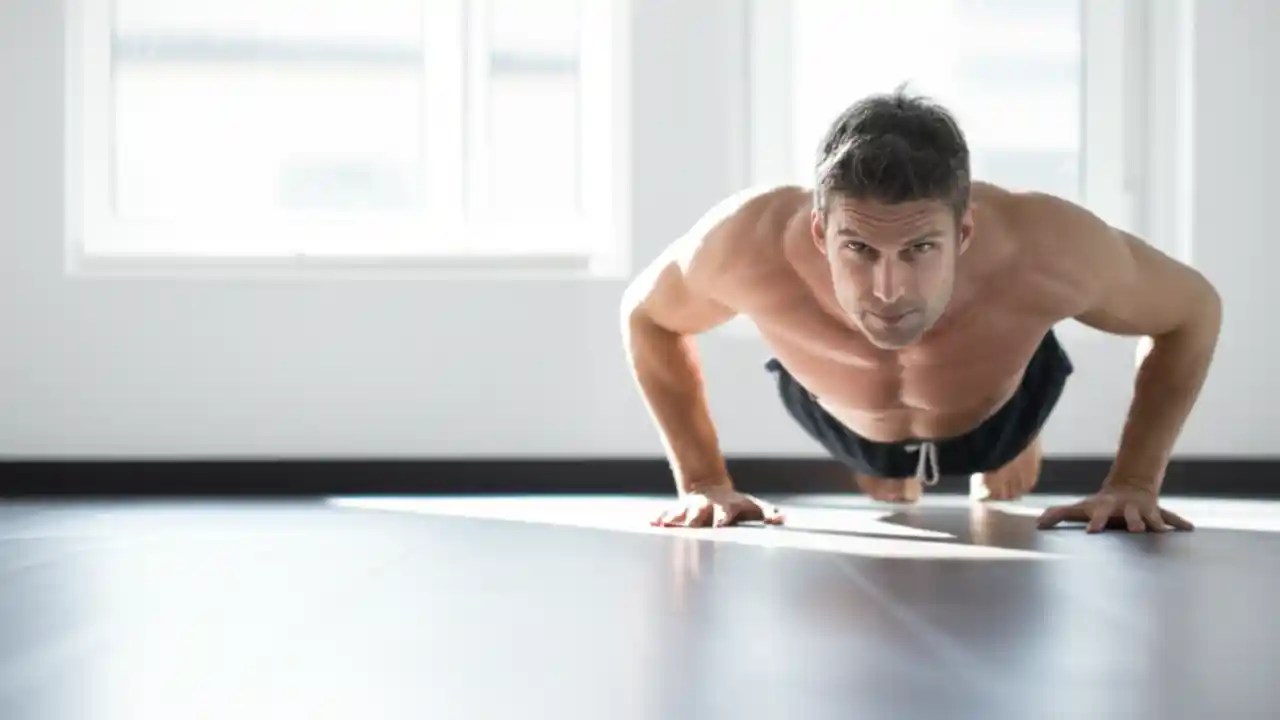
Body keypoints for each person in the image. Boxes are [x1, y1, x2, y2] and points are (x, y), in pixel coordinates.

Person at [620, 89, 1221, 533]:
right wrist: (702, 483)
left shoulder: (1049, 245)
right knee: (885, 480)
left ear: (964, 232)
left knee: (1007, 378)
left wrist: (1135, 482)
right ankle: (886, 461)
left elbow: (1193, 310)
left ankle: (1013, 442)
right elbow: (647, 317)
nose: (888, 289)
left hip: (1003, 405)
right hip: (840, 412)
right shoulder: (746, 242)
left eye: (919, 248)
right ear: (818, 229)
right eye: (857, 247)